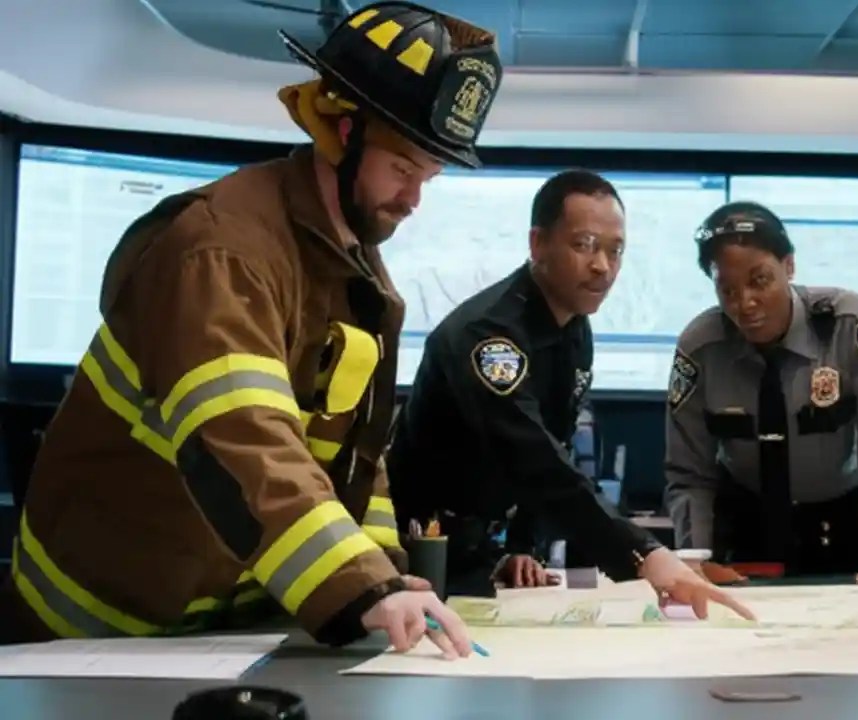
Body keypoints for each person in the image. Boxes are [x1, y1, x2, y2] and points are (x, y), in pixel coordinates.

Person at [0, 3, 504, 656]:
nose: (414, 199)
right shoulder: (220, 249)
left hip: (213, 630)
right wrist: (364, 587)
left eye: (427, 177)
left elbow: (357, 458)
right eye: (403, 169)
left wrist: (383, 566)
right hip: (91, 631)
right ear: (339, 129)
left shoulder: (352, 269)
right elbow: (244, 437)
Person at [387, 170, 754, 620]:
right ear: (538, 244)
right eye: (584, 245)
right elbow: (533, 458)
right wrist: (645, 555)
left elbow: (554, 441)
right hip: (418, 549)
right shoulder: (489, 337)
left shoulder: (574, 329)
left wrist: (520, 549)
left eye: (615, 250)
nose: (602, 265)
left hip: (483, 552)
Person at [664, 202, 858, 584]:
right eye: (727, 289)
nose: (744, 303)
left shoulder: (847, 325)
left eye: (759, 280)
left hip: (842, 522)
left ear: (789, 266)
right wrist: (695, 560)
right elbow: (689, 470)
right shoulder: (701, 350)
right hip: (745, 528)